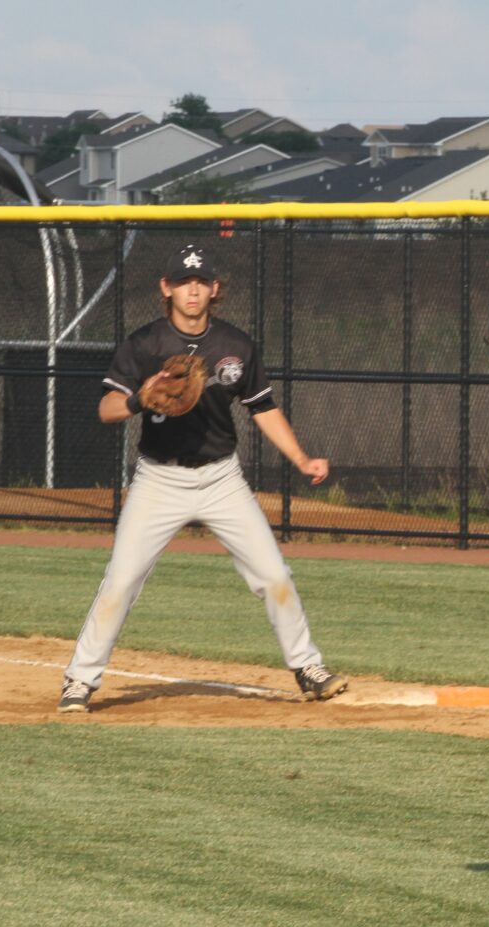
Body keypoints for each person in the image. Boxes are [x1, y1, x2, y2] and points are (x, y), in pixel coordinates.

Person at [58, 244, 348, 712]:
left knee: (274, 575)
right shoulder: (145, 345)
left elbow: (263, 408)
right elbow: (106, 408)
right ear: (166, 289)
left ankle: (308, 669)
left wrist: (301, 459)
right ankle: (79, 681)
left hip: (221, 480)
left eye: (201, 282)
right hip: (159, 481)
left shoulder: (235, 346)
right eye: (182, 282)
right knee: (121, 580)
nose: (192, 290)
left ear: (214, 289)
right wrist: (138, 400)